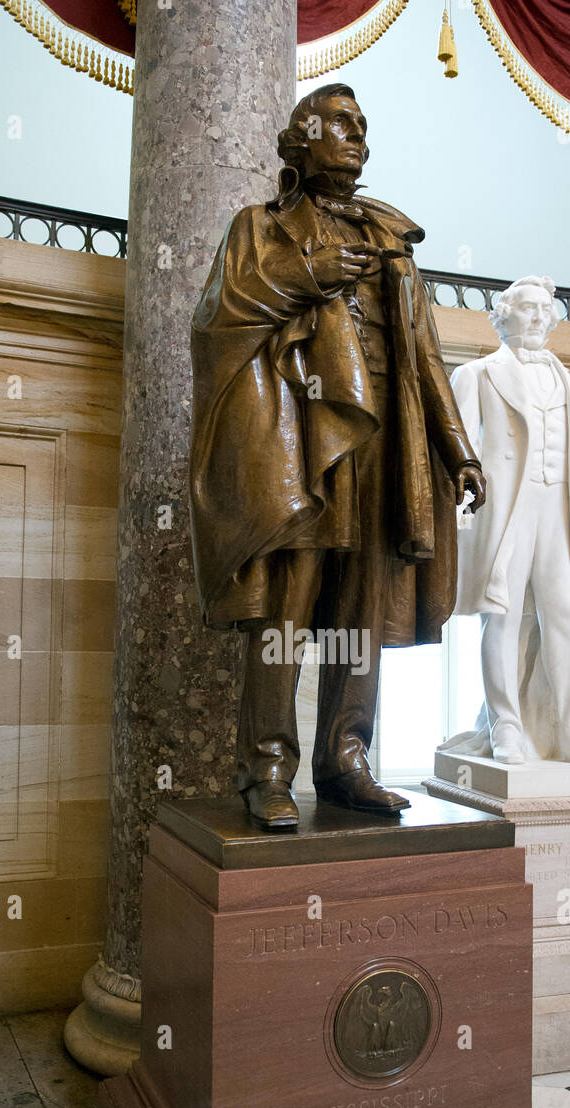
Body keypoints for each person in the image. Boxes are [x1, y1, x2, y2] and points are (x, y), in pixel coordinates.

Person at [189, 83, 486, 827]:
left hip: (386, 434)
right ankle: (266, 770)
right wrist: (306, 276)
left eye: (363, 126)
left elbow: (425, 354)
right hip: (305, 432)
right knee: (286, 610)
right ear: (301, 138)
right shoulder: (260, 227)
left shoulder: (390, 235)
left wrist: (458, 451)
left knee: (364, 605)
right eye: (342, 125)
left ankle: (347, 760)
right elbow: (215, 322)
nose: (357, 137)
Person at [449, 275, 570, 767]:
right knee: (500, 616)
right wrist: (458, 524)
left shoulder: (567, 380)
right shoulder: (476, 374)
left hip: (558, 511)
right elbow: (461, 459)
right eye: (527, 308)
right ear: (503, 316)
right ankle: (505, 727)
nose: (539, 317)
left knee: (565, 614)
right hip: (502, 511)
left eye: (545, 309)